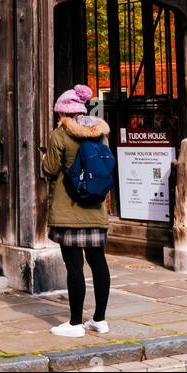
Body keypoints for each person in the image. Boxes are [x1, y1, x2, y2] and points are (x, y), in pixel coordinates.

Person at [42, 83, 111, 338]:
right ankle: (99, 320)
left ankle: (74, 324)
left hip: (68, 208)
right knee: (98, 262)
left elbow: (49, 169)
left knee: (74, 267)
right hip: (95, 207)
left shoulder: (59, 134)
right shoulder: (100, 133)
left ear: (64, 113)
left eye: (59, 113)